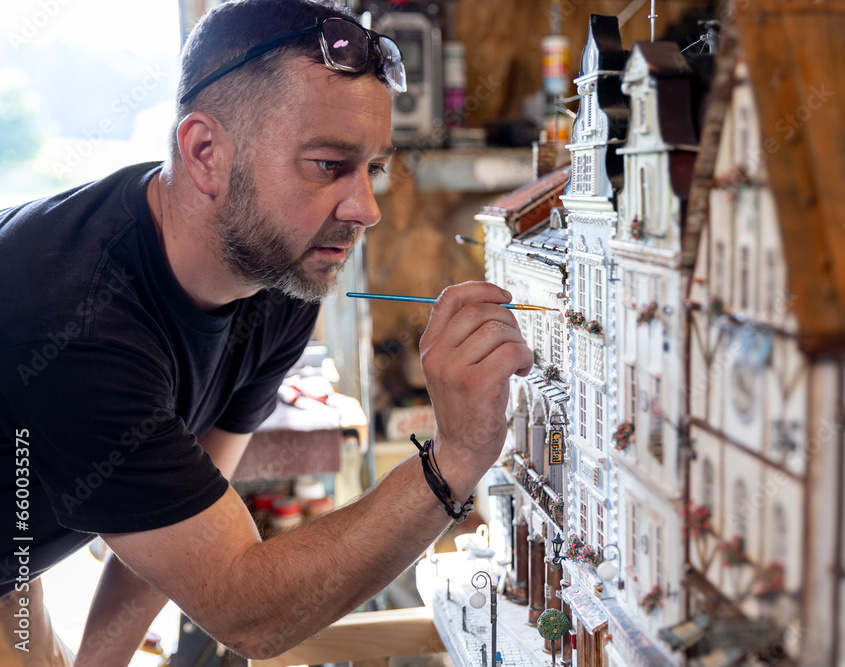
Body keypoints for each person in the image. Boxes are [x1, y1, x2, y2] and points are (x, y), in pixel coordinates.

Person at [0, 1, 533, 665]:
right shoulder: (72, 318)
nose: (366, 209)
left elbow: (176, 535)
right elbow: (245, 609)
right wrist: (454, 459)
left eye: (373, 167)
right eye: (326, 165)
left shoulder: (277, 280)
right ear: (204, 153)